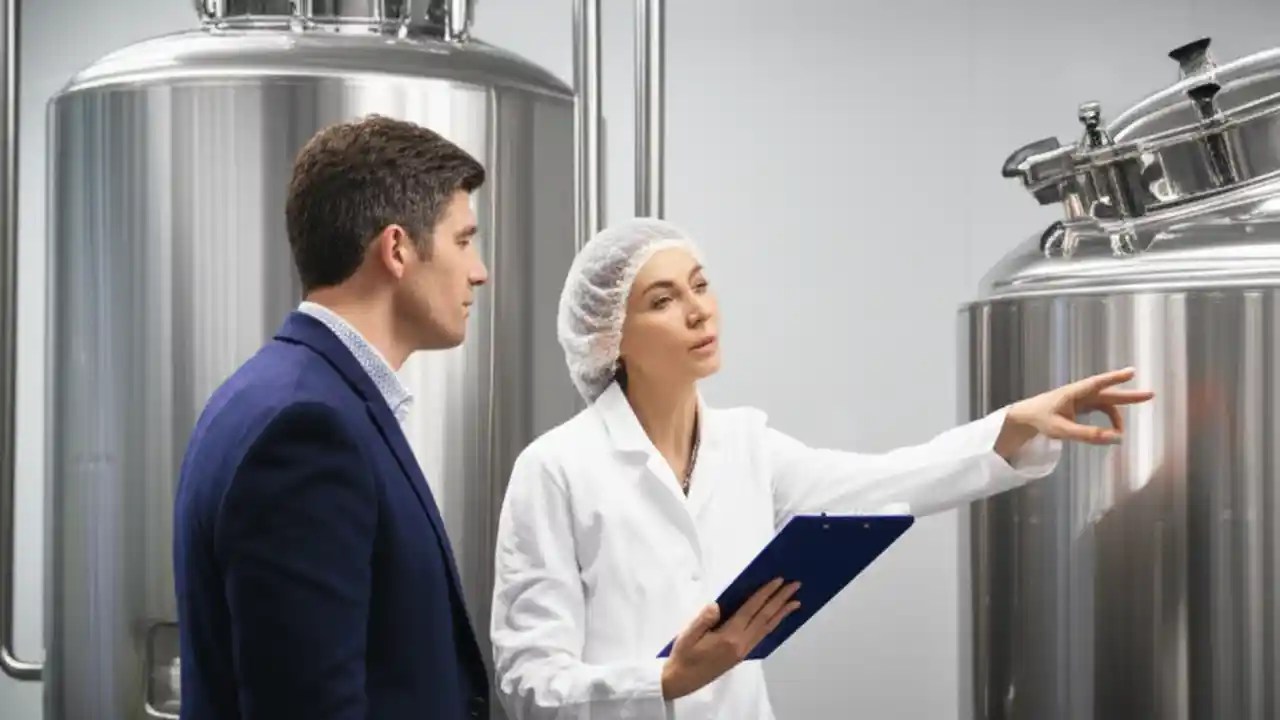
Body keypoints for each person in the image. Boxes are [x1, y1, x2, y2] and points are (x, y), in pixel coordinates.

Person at [488, 217, 1155, 719]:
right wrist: (663, 681)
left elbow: (891, 480)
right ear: (610, 338)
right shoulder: (556, 470)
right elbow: (526, 682)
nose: (698, 310)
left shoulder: (745, 445)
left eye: (700, 285)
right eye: (662, 300)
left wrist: (1012, 426)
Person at [173, 115, 491, 719]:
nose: (479, 270)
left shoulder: (277, 395)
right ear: (397, 248)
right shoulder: (308, 431)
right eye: (463, 239)